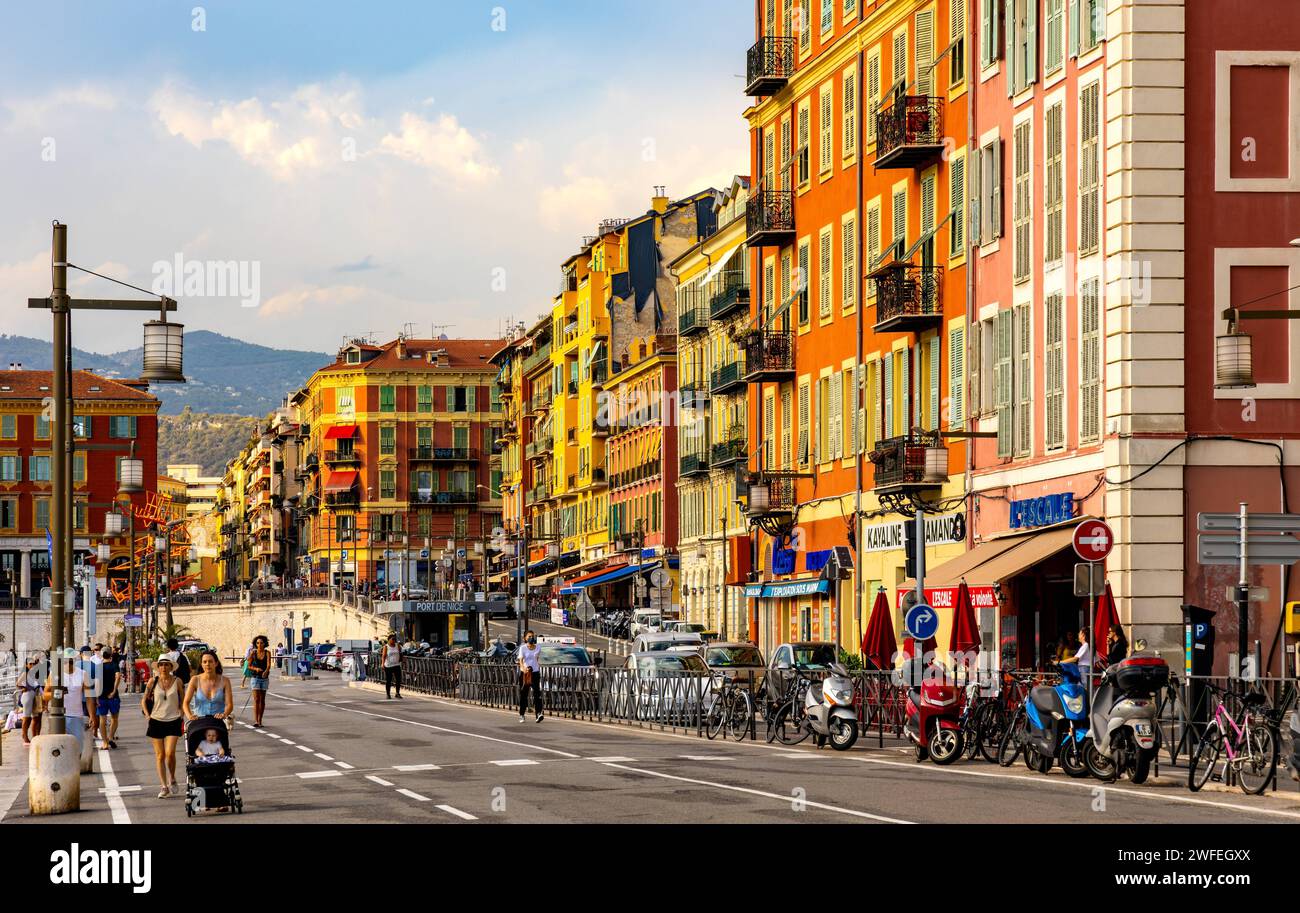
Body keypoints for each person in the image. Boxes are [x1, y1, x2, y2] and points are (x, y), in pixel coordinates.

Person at [141, 657, 184, 798]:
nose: (164, 668)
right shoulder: (153, 682)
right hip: (156, 720)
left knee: (170, 753)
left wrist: (182, 714)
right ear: (157, 667)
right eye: (161, 665)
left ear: (171, 667)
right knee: (160, 755)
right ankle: (164, 786)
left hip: (173, 720)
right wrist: (148, 715)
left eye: (166, 665)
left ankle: (172, 777)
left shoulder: (177, 681)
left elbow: (183, 700)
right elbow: (144, 699)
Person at [44, 649, 88, 757]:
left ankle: (75, 768)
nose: (68, 662)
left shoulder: (83, 674)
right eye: (66, 660)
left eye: (71, 660)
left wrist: (92, 715)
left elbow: (89, 697)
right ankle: (65, 770)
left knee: (78, 747)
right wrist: (57, 694)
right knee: (59, 747)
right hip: (59, 716)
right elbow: (45, 695)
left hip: (77, 716)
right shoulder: (54, 674)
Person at [184, 650, 234, 724]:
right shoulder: (195, 679)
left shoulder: (225, 681)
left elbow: (229, 704)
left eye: (210, 661)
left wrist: (224, 714)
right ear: (201, 664)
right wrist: (190, 716)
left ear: (216, 663)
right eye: (204, 662)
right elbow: (185, 702)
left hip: (218, 721)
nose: (207, 664)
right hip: (199, 721)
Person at [97, 645, 123, 749]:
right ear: (110, 654)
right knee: (114, 718)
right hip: (113, 696)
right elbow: (118, 676)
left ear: (102, 655)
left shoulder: (98, 667)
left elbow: (96, 682)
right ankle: (111, 737)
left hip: (101, 696)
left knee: (102, 720)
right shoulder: (114, 665)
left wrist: (96, 696)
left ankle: (105, 743)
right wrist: (114, 690)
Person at [244, 636, 272, 726]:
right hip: (255, 677)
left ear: (264, 644)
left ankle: (260, 720)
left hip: (264, 678)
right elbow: (249, 665)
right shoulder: (253, 653)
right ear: (255, 644)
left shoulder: (267, 653)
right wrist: (256, 669)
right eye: (257, 643)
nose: (259, 645)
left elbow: (268, 664)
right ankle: (256, 721)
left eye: (261, 643)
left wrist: (266, 671)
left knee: (262, 700)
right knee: (256, 699)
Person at [517, 630, 542, 723]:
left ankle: (538, 714)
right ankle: (522, 714)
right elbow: (521, 660)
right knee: (524, 694)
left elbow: (536, 659)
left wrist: (537, 666)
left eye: (532, 636)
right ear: (525, 638)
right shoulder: (523, 648)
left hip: (535, 672)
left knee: (537, 693)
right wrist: (523, 668)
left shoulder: (538, 647)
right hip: (525, 673)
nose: (531, 638)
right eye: (529, 636)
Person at [19, 654, 43, 744]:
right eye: (30, 664)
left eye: (33, 664)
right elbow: (18, 683)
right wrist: (23, 688)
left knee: (35, 717)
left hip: (35, 696)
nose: (32, 665)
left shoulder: (33, 673)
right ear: (26, 665)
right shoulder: (25, 673)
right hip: (27, 696)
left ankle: (34, 737)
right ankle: (24, 735)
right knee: (26, 717)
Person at [380, 633, 403, 699]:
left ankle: (397, 693)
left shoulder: (397, 645)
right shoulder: (386, 647)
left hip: (396, 665)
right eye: (393, 639)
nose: (394, 640)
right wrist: (382, 664)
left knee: (398, 679)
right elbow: (383, 656)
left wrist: (402, 660)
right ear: (389, 640)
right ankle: (388, 694)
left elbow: (401, 653)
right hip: (388, 666)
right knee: (389, 680)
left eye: (395, 639)